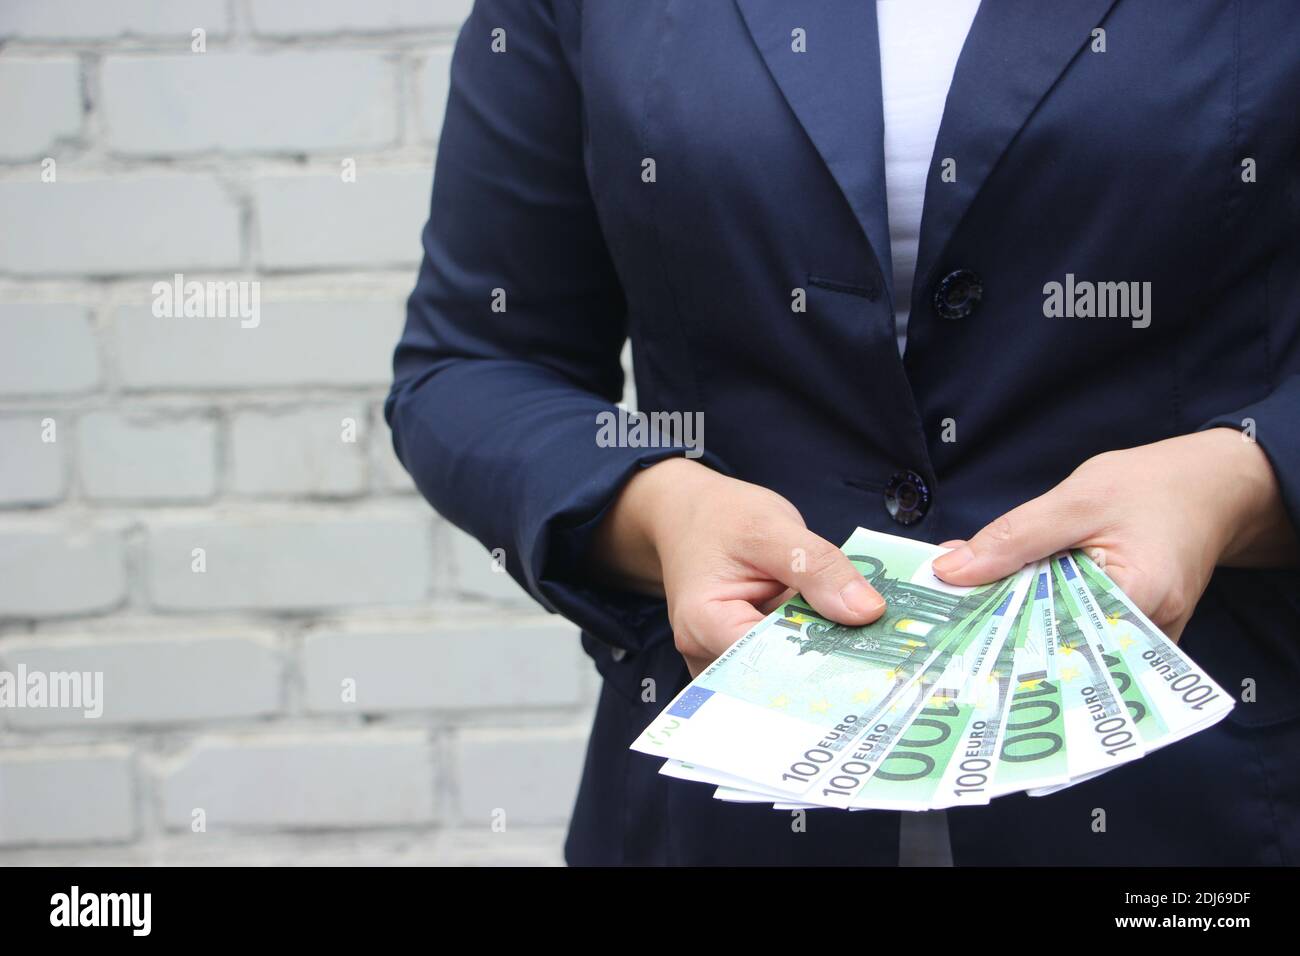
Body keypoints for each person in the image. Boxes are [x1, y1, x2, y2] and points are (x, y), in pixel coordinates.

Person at [386, 0, 1300, 865]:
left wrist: (1237, 483)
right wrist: (660, 509)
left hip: (1202, 808)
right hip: (720, 812)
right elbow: (472, 366)